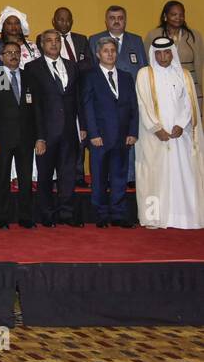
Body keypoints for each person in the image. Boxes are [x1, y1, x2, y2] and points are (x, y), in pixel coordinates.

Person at [134, 38, 204, 229]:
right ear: (153, 54)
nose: (163, 57)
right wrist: (157, 129)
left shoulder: (184, 75)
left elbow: (189, 103)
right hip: (154, 136)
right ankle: (154, 218)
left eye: (166, 53)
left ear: (172, 53)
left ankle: (184, 216)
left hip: (180, 136)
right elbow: (143, 103)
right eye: (158, 53)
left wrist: (181, 124)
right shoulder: (144, 74)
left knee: (182, 175)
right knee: (153, 176)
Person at [25, 29, 85, 227]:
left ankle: (66, 214)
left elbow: (78, 99)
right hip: (46, 132)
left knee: (67, 175)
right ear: (41, 45)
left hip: (69, 130)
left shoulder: (72, 66)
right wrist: (39, 136)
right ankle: (47, 214)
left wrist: (82, 126)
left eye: (56, 40)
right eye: (49, 41)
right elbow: (34, 106)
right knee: (45, 176)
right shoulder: (32, 68)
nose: (53, 44)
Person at [81, 36, 139, 228]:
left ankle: (119, 214)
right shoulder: (90, 76)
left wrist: (133, 131)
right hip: (100, 138)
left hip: (123, 137)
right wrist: (93, 134)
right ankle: (101, 215)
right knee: (98, 178)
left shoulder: (126, 76)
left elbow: (133, 107)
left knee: (119, 176)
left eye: (113, 50)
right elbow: (87, 107)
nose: (110, 54)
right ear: (98, 54)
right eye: (106, 51)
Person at [0, 41, 39, 228]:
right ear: (1, 57)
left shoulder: (29, 76)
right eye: (9, 53)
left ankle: (25, 217)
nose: (13, 55)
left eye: (16, 52)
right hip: (2, 138)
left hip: (26, 138)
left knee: (26, 180)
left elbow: (37, 110)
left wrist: (39, 137)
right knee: (1, 180)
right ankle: (2, 218)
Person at [146, 1, 201, 117]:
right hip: (164, 88)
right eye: (174, 14)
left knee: (192, 123)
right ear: (165, 16)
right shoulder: (153, 35)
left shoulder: (194, 36)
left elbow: (201, 65)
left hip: (191, 86)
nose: (178, 18)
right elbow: (148, 63)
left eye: (181, 15)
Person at [90, 5, 147, 77]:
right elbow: (91, 69)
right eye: (112, 18)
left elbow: (144, 68)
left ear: (125, 21)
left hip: (132, 85)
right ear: (106, 22)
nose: (116, 21)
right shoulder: (95, 40)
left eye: (120, 18)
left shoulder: (136, 40)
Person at [51, 7, 92, 72]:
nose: (64, 23)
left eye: (68, 20)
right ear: (53, 21)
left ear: (72, 22)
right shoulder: (46, 39)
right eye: (61, 20)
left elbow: (88, 61)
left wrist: (75, 70)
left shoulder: (81, 39)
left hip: (79, 77)